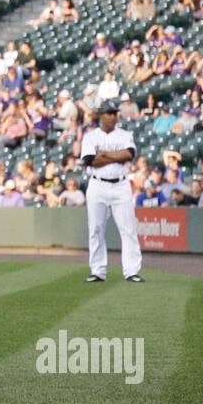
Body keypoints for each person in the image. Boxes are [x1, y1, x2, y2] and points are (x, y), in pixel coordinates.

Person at [80, 100, 143, 283]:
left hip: (121, 185)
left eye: (115, 112)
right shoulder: (91, 136)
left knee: (128, 229)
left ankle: (132, 271)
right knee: (96, 229)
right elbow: (91, 160)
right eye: (110, 113)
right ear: (101, 116)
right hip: (97, 185)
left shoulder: (125, 134)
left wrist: (105, 154)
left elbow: (129, 155)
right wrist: (116, 157)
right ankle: (98, 271)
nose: (114, 116)